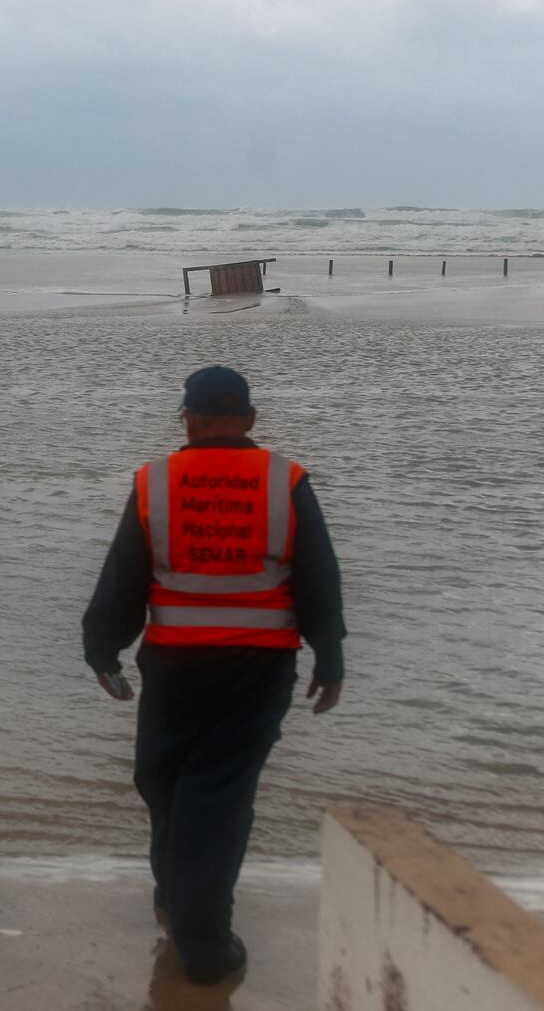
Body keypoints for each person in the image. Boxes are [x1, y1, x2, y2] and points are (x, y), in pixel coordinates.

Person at [81, 365, 345, 986]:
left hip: (174, 665)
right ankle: (189, 913)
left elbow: (124, 578)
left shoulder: (156, 482)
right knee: (217, 794)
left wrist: (103, 650)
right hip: (259, 667)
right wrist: (329, 655)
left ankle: (193, 926)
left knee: (166, 781)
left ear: (190, 420)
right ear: (249, 420)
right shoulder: (287, 480)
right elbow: (318, 577)